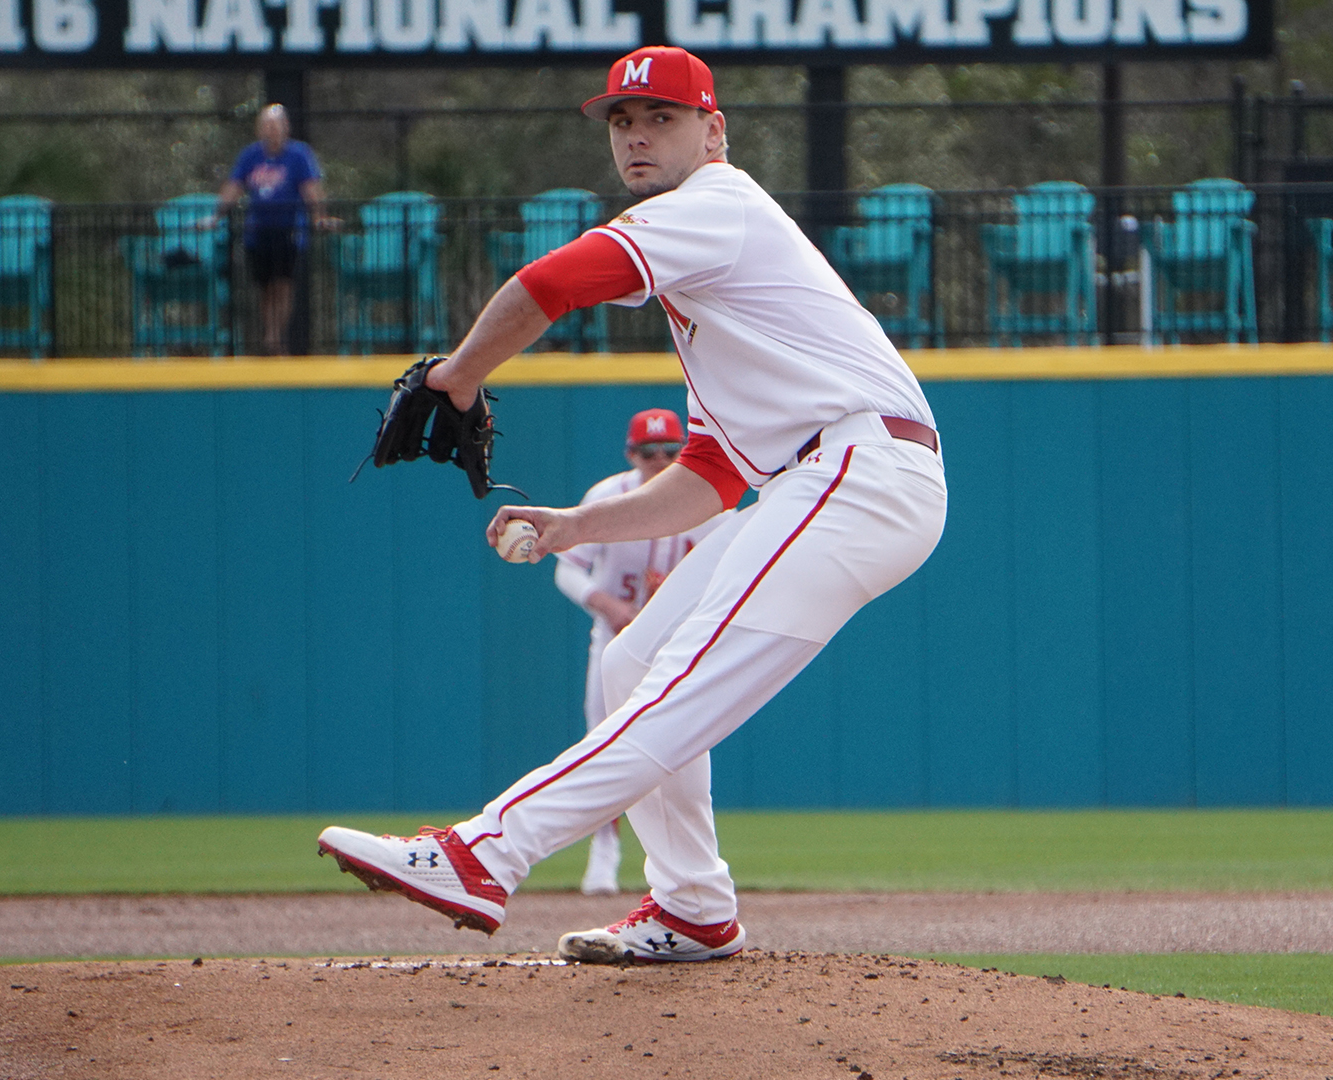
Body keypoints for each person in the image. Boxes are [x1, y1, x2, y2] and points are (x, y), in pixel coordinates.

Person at [317, 45, 946, 964]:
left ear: (713, 130)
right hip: (821, 478)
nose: (638, 135)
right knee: (634, 660)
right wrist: (578, 525)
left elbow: (558, 283)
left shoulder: (714, 208)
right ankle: (692, 907)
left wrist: (456, 379)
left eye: (661, 117)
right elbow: (711, 478)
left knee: (677, 683)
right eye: (622, 120)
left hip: (860, 472)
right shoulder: (710, 287)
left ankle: (485, 851)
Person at [554, 407, 730, 897]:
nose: (659, 459)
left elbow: (727, 571)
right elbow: (567, 570)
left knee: (685, 746)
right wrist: (604, 602)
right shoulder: (607, 497)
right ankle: (604, 853)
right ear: (631, 453)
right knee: (604, 741)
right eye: (649, 451)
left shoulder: (706, 503)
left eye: (671, 451)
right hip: (615, 640)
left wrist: (673, 597)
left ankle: (690, 865)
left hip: (679, 644)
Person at [207, 104, 337, 354]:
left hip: (288, 230)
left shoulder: (299, 155)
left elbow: (311, 189)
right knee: (265, 286)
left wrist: (320, 216)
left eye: (275, 125)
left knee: (283, 283)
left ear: (285, 128)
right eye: (266, 125)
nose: (271, 130)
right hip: (258, 231)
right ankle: (270, 334)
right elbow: (234, 186)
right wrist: (216, 216)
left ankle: (275, 337)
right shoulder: (250, 156)